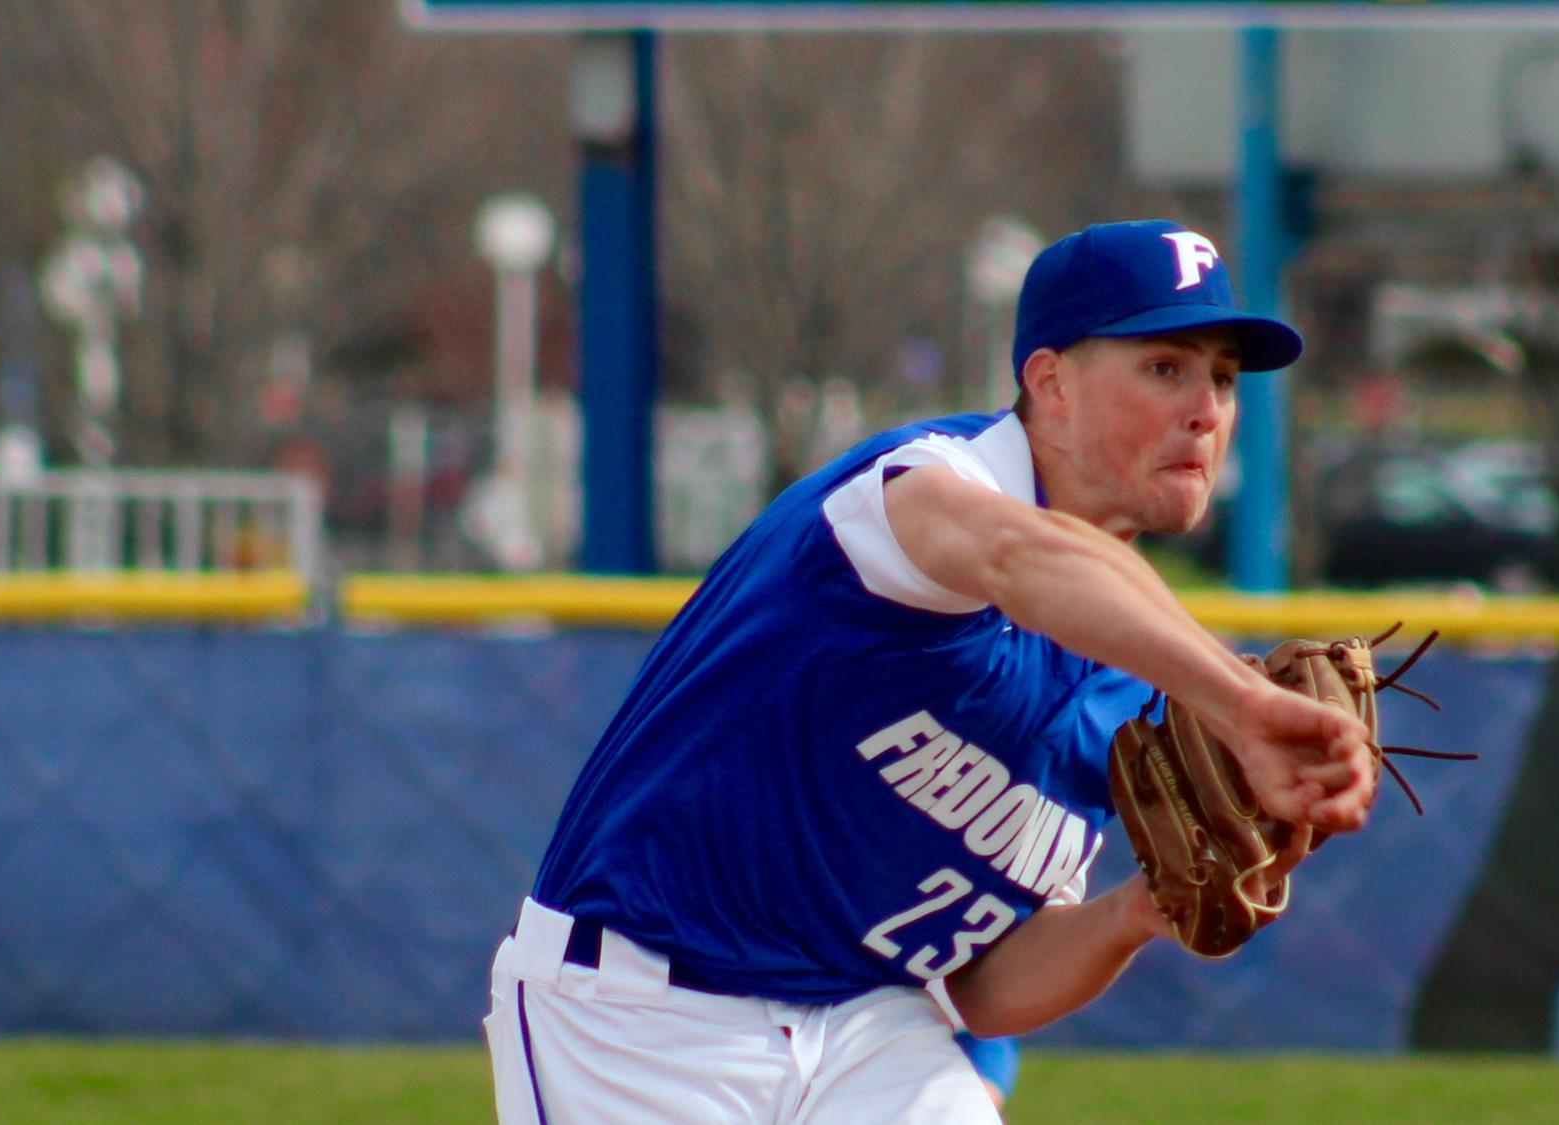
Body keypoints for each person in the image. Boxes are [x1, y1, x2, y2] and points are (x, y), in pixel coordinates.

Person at [483, 219, 1378, 1123]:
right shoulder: (920, 490)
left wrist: (1136, 913)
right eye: (1165, 367)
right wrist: (1237, 699)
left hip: (871, 1026)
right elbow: (1020, 560)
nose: (1206, 410)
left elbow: (980, 990)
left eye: (1223, 379)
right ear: (1051, 382)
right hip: (643, 1007)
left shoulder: (1134, 693)